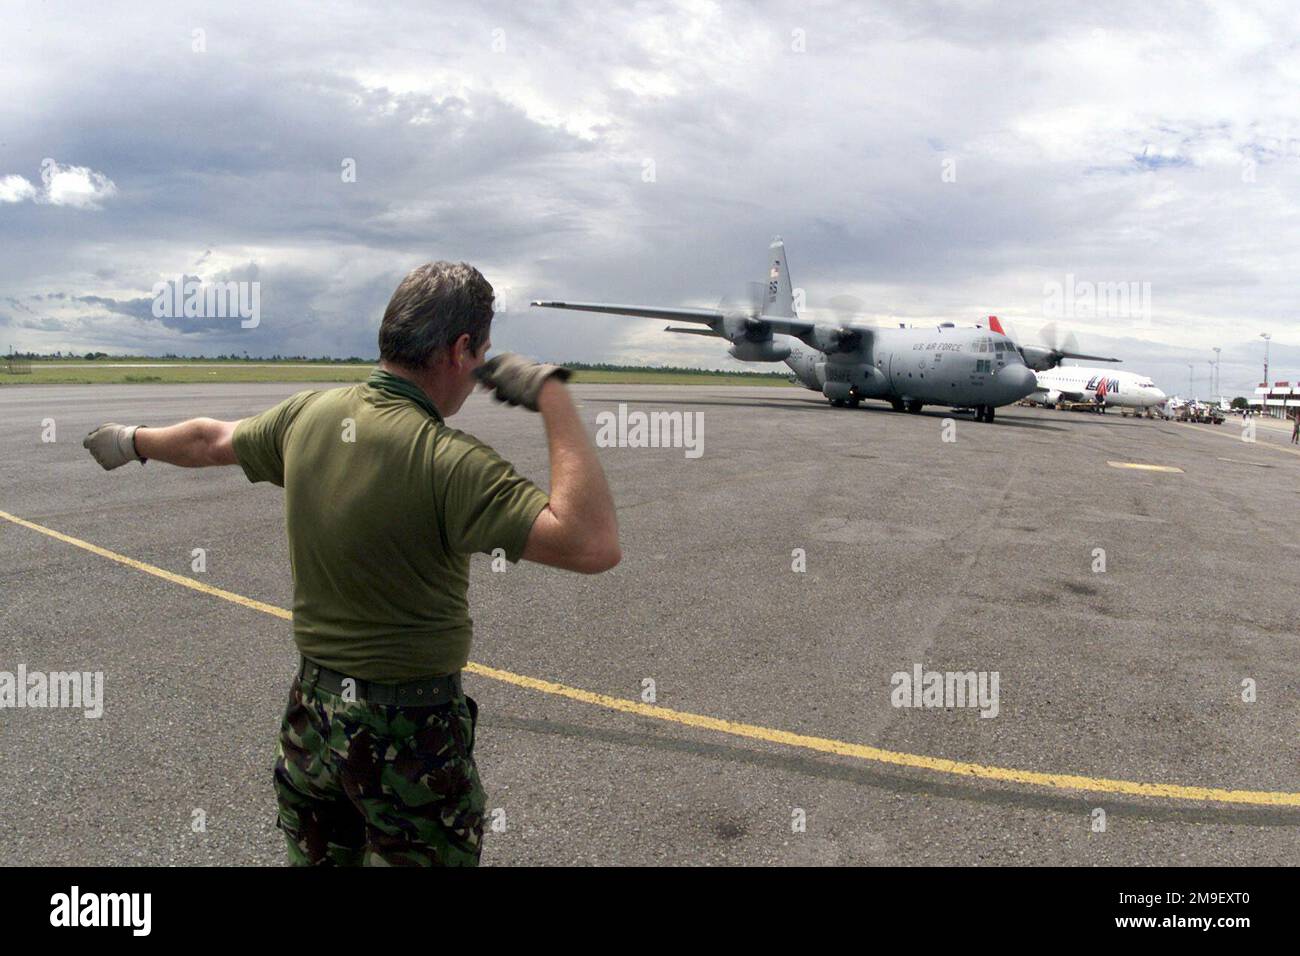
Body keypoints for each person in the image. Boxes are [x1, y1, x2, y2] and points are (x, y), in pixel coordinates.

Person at [82, 261, 620, 866]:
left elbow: (209, 440)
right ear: (461, 348)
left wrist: (132, 439)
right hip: (411, 736)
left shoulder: (306, 417)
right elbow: (591, 543)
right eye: (481, 354)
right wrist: (552, 395)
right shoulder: (450, 460)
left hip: (312, 723)